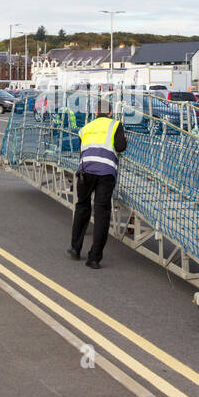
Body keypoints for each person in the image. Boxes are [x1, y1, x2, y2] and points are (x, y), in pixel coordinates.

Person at [68, 98, 127, 270]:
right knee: (101, 213)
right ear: (110, 113)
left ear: (95, 113)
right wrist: (124, 139)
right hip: (106, 172)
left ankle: (75, 247)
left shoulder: (85, 128)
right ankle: (94, 258)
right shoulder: (116, 125)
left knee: (82, 207)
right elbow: (120, 147)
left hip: (86, 171)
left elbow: (81, 149)